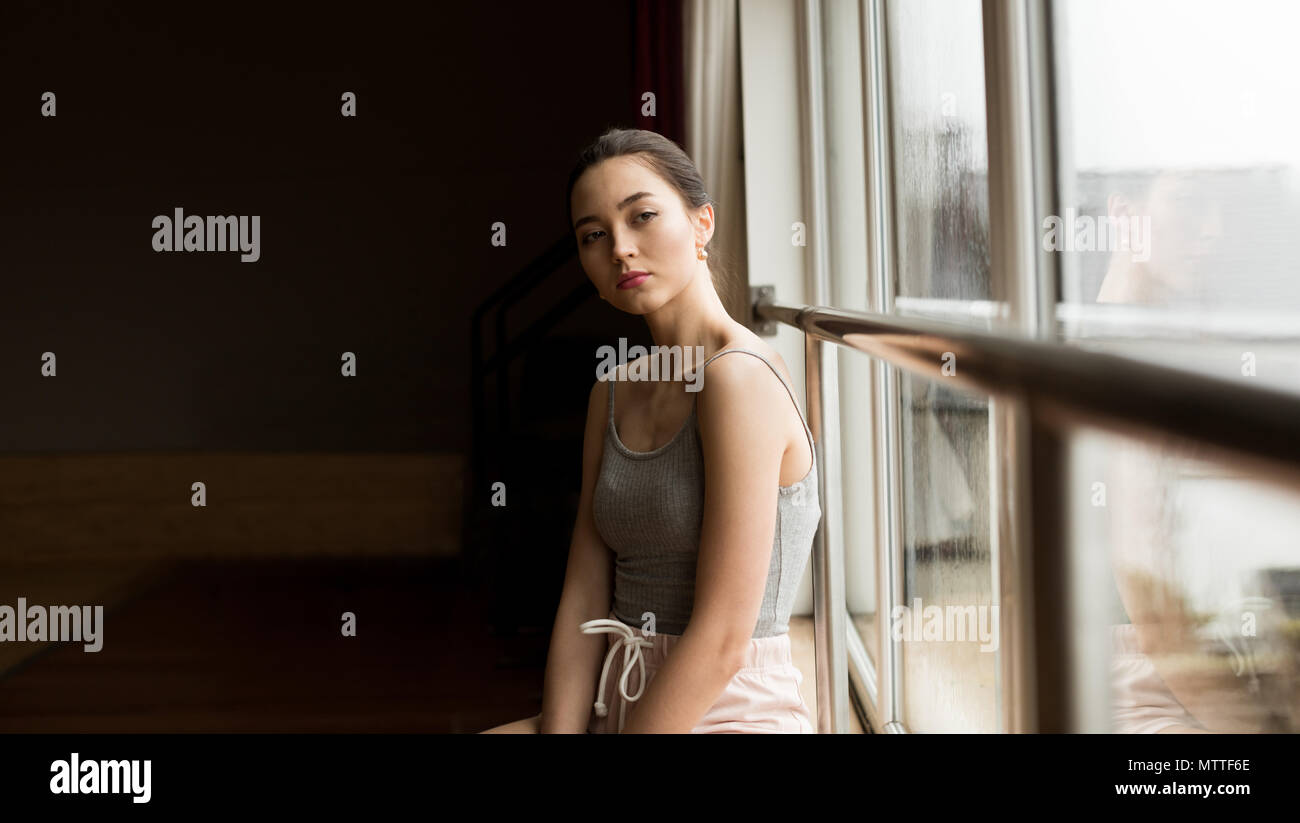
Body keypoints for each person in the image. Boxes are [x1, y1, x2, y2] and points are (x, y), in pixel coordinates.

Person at [481, 127, 821, 733]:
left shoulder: (738, 379)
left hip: (731, 711)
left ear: (702, 224)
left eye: (642, 216)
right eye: (594, 235)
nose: (620, 249)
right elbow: (585, 595)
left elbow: (723, 641)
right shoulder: (610, 392)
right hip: (617, 702)